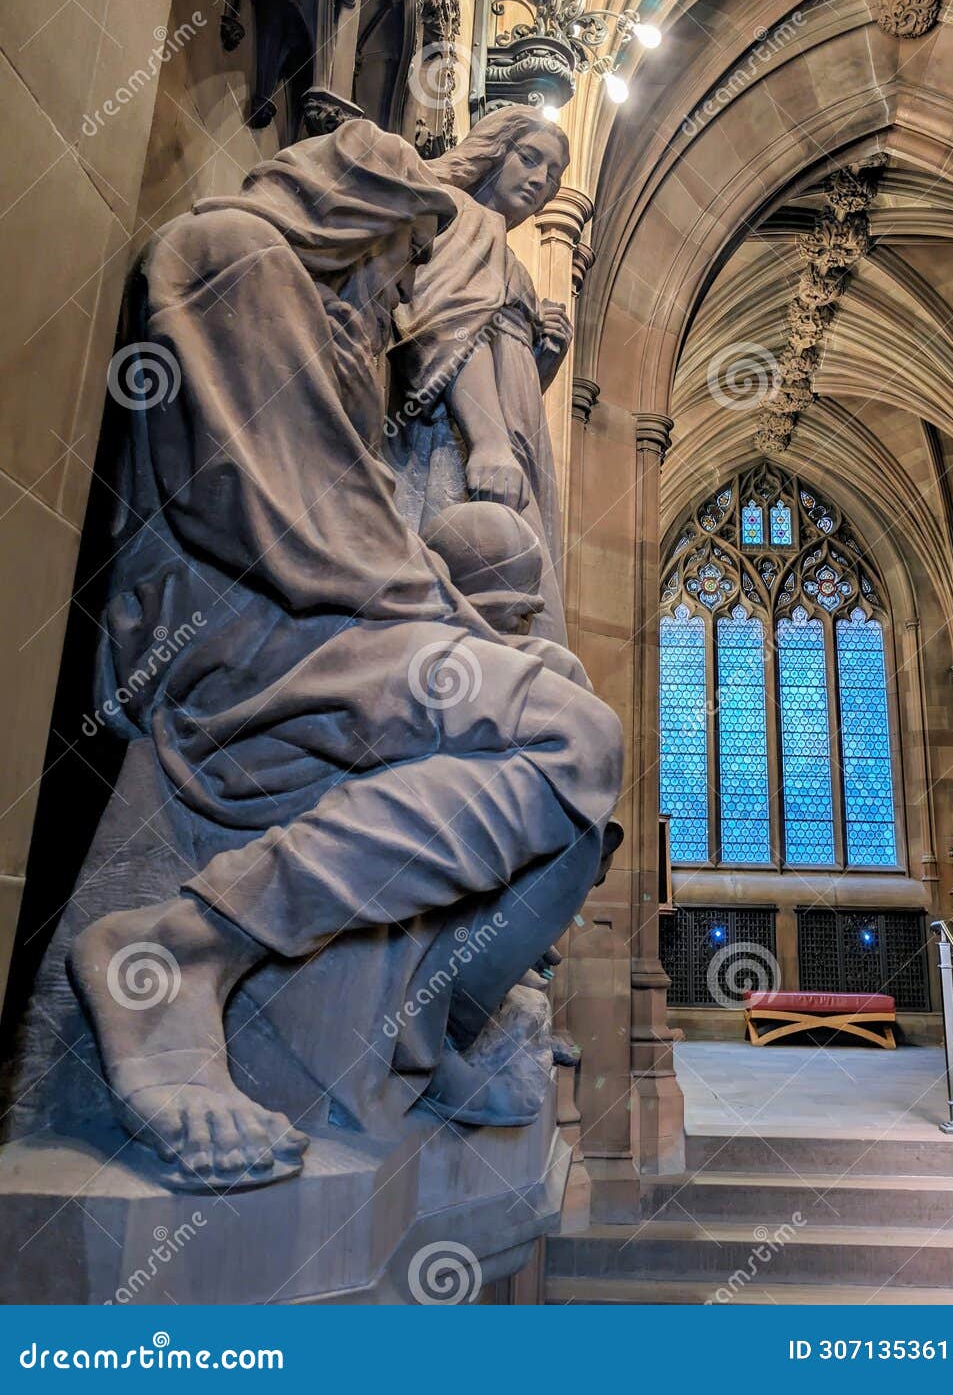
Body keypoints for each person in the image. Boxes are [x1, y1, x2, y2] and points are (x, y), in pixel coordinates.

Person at [46, 120, 622, 1191]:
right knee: (572, 736)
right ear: (361, 214)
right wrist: (447, 618)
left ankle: (420, 1029)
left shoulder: (309, 306)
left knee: (569, 710)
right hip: (248, 642)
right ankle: (183, 945)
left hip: (319, 621)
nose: (408, 285)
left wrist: (447, 615)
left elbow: (345, 520)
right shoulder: (235, 259)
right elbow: (301, 523)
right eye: (408, 253)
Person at [389, 107, 574, 641]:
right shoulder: (465, 217)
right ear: (495, 151)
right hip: (462, 443)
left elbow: (499, 372)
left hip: (506, 443)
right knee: (481, 603)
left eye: (554, 174)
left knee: (518, 612)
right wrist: (488, 441)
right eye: (530, 158)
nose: (541, 180)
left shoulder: (510, 256)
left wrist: (543, 357)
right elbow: (448, 332)